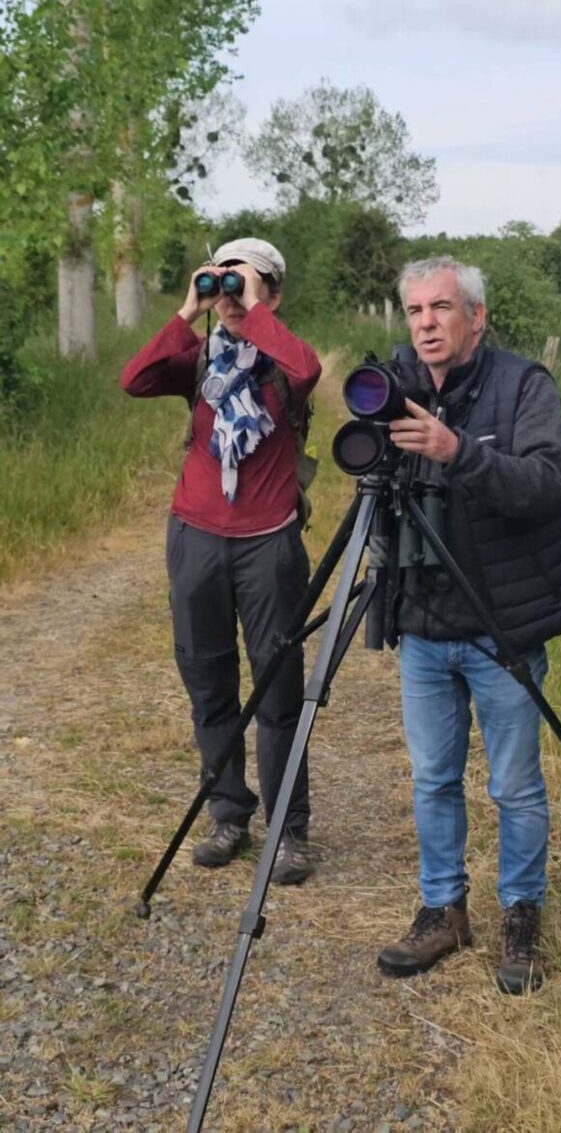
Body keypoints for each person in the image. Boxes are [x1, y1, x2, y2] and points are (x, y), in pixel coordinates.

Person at [377, 255, 561, 993]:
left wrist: (457, 452)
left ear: (477, 315)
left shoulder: (524, 385)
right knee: (434, 777)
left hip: (504, 628)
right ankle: (443, 908)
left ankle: (520, 916)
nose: (427, 323)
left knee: (515, 786)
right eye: (415, 311)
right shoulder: (398, 387)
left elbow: (543, 482)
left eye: (441, 308)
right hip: (426, 623)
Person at [120, 237, 321, 885]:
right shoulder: (202, 359)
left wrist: (252, 310)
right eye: (223, 282)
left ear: (274, 290)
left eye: (248, 282)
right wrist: (188, 309)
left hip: (269, 540)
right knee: (207, 678)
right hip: (197, 536)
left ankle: (289, 828)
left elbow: (309, 369)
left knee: (278, 687)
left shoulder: (282, 359)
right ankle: (228, 811)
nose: (231, 295)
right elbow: (136, 379)